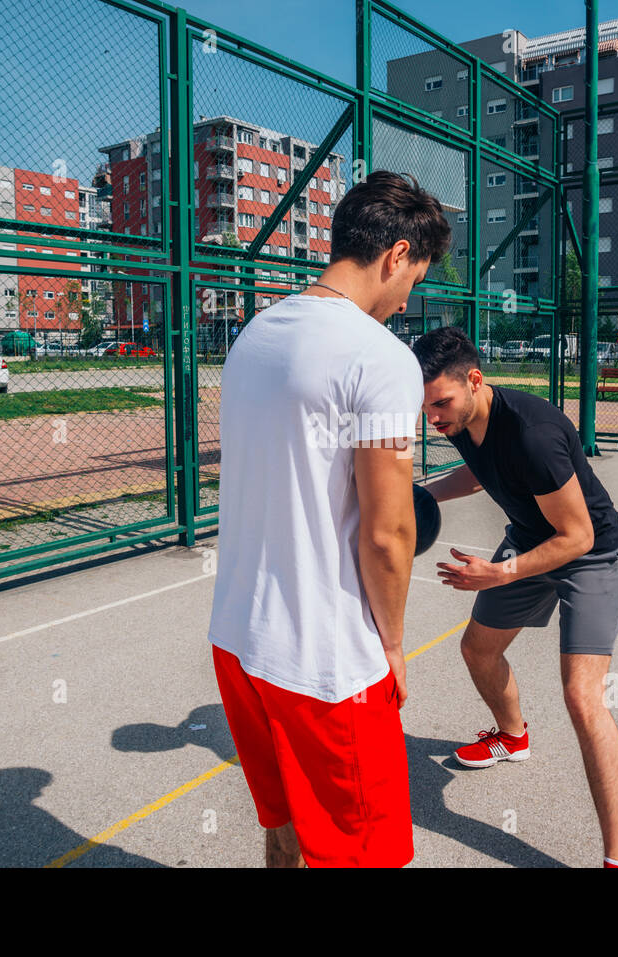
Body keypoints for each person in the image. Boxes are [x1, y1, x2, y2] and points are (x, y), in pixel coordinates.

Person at [207, 171, 452, 867]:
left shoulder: (255, 335)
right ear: (395, 254)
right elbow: (388, 531)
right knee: (363, 856)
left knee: (284, 827)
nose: (408, 301)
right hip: (326, 659)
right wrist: (395, 643)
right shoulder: (379, 357)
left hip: (239, 639)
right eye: (415, 279)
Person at [412, 326, 618, 869]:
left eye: (441, 404)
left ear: (475, 380)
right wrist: (419, 493)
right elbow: (477, 474)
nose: (434, 419)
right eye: (426, 409)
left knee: (583, 699)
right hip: (528, 541)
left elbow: (577, 536)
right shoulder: (464, 420)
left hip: (590, 554)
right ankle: (512, 738)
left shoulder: (533, 434)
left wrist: (499, 573)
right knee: (477, 649)